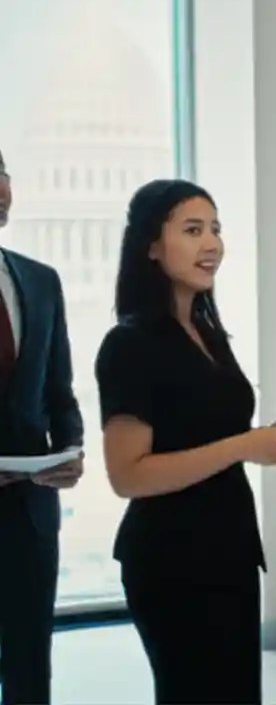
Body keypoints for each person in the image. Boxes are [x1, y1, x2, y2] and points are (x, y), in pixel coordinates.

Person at [95, 179, 276, 704]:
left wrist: (266, 442)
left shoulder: (208, 333)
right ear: (150, 245)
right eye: (192, 230)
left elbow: (211, 433)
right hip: (171, 563)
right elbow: (129, 475)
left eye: (215, 229)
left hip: (229, 551)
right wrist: (243, 447)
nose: (212, 244)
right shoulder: (130, 344)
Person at [0, 148, 85, 705]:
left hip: (29, 513)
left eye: (0, 175)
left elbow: (60, 391)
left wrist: (71, 447)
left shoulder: (39, 281)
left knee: (30, 664)